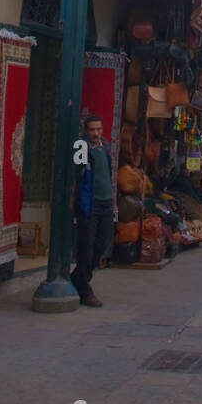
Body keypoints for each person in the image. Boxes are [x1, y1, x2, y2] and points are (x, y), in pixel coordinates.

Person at [71, 116, 115, 307]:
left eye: (98, 129)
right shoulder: (82, 147)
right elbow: (77, 172)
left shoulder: (104, 147)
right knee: (86, 247)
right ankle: (84, 289)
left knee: (102, 243)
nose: (95, 133)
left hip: (106, 203)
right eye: (92, 130)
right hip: (90, 203)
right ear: (86, 131)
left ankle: (78, 279)